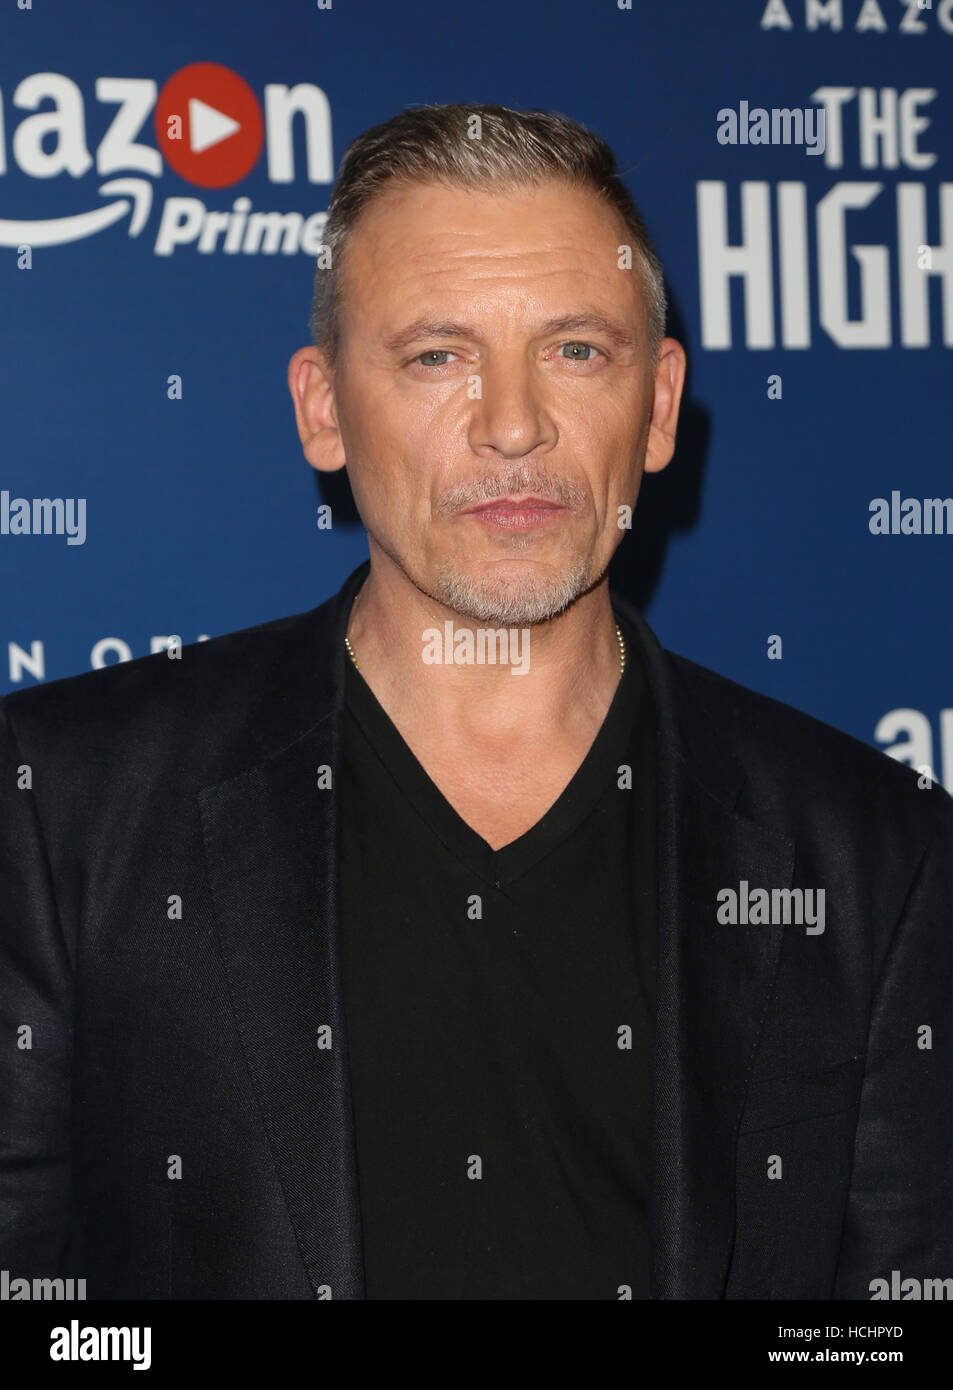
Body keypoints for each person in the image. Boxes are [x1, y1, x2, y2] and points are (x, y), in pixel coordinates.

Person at [2, 103, 951, 1301]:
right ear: (322, 409)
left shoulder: (872, 850)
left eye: (574, 351)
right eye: (436, 355)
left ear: (656, 408)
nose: (513, 425)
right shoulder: (59, 807)